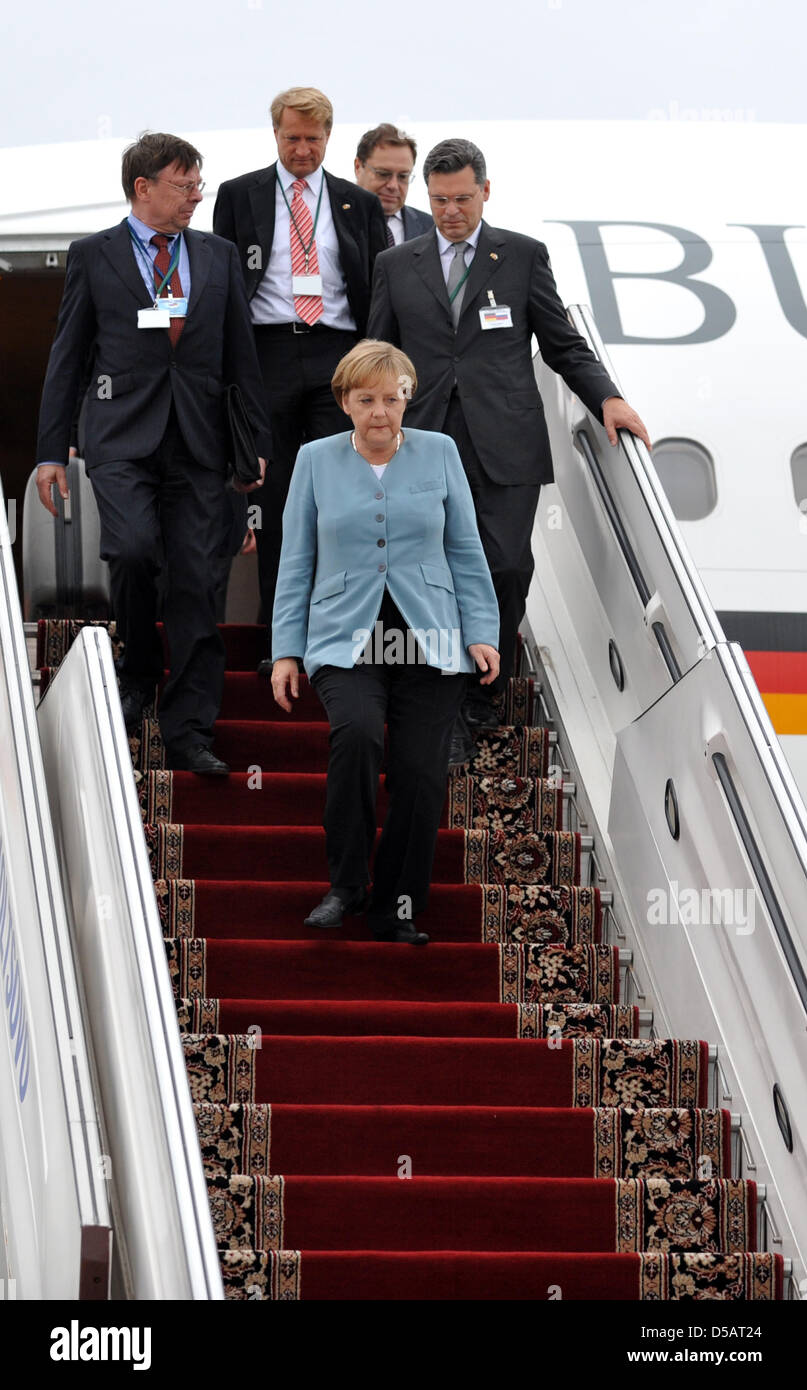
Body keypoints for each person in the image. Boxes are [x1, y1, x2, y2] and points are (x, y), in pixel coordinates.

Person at [367, 137, 651, 765]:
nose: (450, 211)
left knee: (504, 567)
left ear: (485, 192)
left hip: (505, 442)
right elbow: (375, 358)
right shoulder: (397, 264)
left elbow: (562, 342)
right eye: (439, 200)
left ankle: (480, 687)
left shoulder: (520, 256)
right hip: (423, 443)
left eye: (462, 199)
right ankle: (441, 699)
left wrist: (607, 398)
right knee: (423, 571)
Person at [35, 132, 270, 776]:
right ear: (143, 188)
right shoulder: (94, 255)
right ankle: (137, 668)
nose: (196, 194)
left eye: (198, 182)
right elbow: (68, 356)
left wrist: (254, 448)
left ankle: (190, 728)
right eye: (182, 183)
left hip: (200, 442)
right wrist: (50, 450)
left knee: (196, 580)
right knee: (135, 549)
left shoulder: (218, 256)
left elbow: (240, 357)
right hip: (119, 437)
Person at [270, 340, 499, 945]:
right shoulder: (314, 460)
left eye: (391, 399)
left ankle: (397, 904)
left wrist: (481, 632)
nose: (380, 411)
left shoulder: (440, 452)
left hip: (431, 637)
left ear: (407, 400)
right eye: (366, 399)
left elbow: (465, 550)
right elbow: (296, 560)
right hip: (346, 637)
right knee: (359, 735)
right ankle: (347, 884)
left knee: (422, 774)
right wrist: (287, 650)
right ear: (345, 402)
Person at [213, 87, 389, 672]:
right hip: (264, 355)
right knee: (275, 501)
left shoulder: (356, 204)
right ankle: (277, 640)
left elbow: (378, 289)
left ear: (329, 139)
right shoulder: (240, 195)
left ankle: (338, 638)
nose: (302, 148)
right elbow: (223, 285)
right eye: (292, 137)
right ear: (275, 134)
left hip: (339, 357)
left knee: (337, 497)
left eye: (313, 139)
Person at [354, 123, 434, 246]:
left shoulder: (432, 229)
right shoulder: (333, 220)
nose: (393, 186)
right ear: (358, 167)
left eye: (403, 176)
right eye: (383, 174)